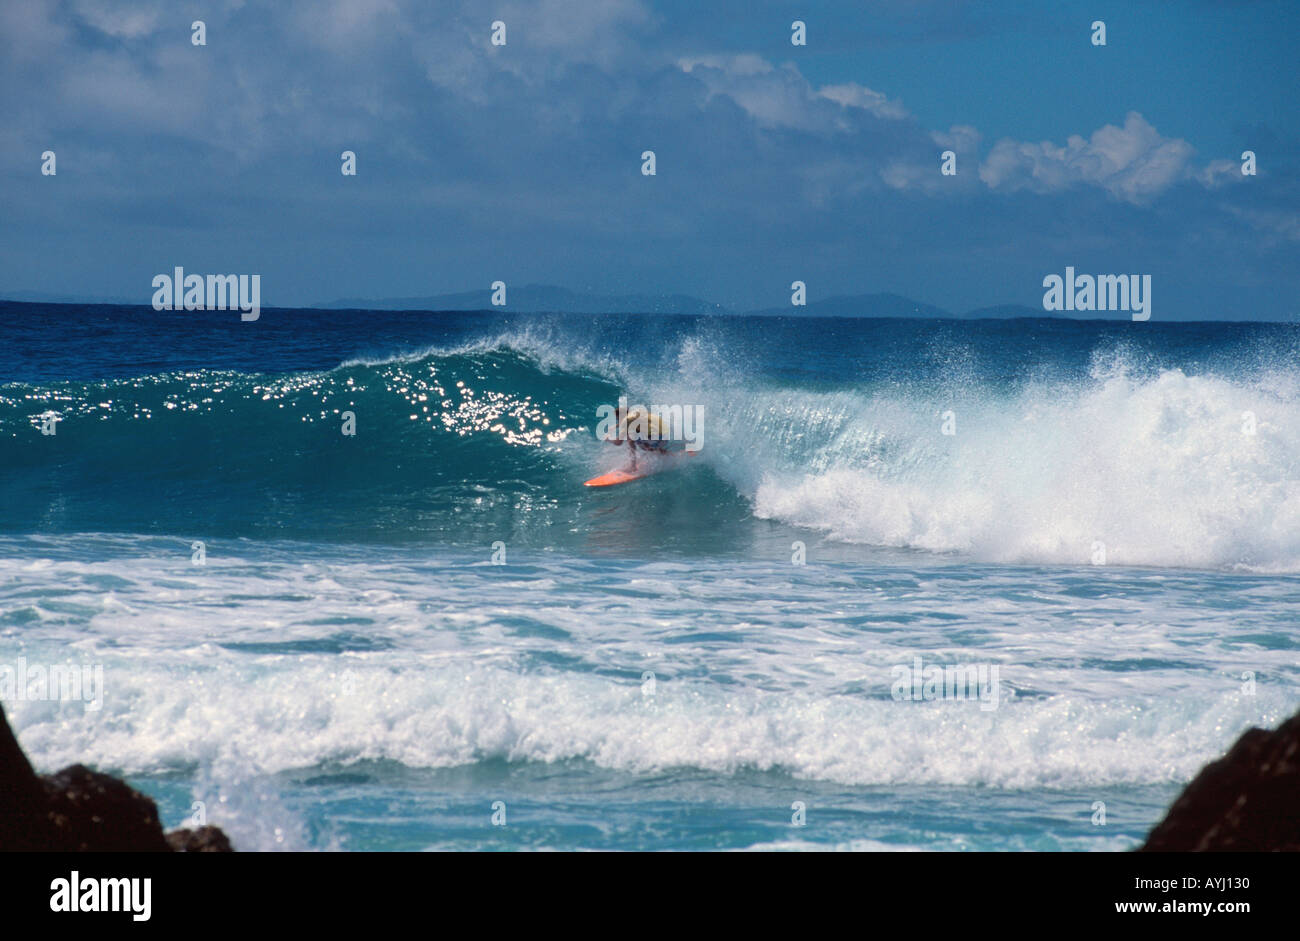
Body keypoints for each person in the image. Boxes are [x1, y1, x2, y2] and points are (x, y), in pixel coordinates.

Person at [607, 405, 669, 470]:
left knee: (630, 439)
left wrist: (608, 439)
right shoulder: (637, 413)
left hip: (656, 440)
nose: (617, 420)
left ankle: (633, 467)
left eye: (617, 418)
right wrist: (615, 426)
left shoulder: (625, 421)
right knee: (642, 435)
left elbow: (618, 443)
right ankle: (667, 454)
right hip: (665, 437)